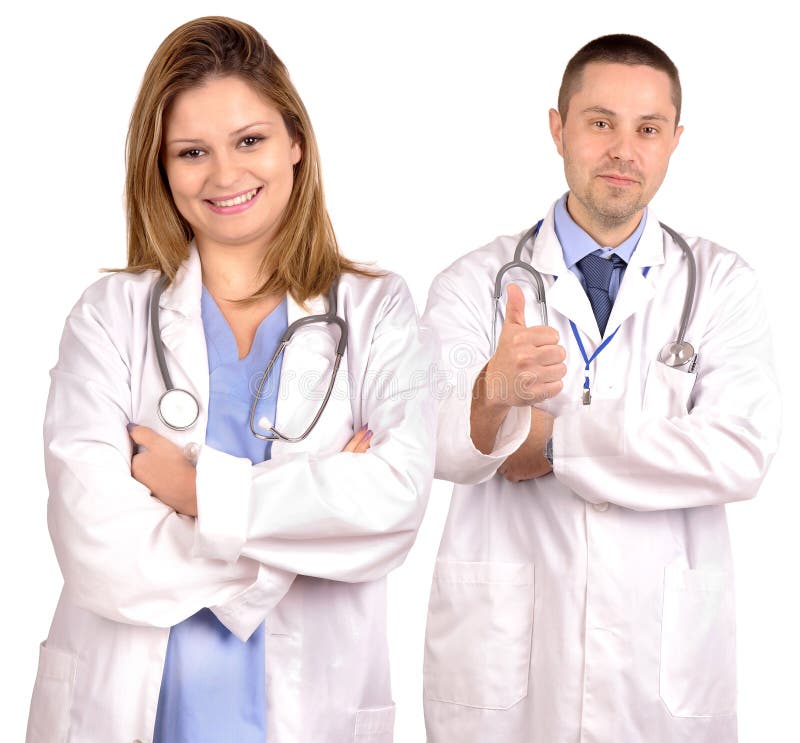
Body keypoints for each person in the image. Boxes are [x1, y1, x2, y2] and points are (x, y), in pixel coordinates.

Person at [26, 16, 433, 743]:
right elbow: (101, 552)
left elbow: (395, 506)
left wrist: (193, 493)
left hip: (311, 713)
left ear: (296, 142)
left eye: (250, 140)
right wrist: (309, 525)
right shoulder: (107, 318)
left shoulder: (375, 311)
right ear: (160, 167)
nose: (224, 174)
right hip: (132, 712)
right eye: (192, 151)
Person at [421, 33, 780, 743]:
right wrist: (491, 392)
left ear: (674, 141)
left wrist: (551, 443)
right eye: (600, 122)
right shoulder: (475, 282)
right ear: (558, 128)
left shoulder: (721, 286)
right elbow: (431, 438)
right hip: (508, 667)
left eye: (647, 129)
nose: (624, 149)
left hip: (661, 666)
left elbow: (740, 450)